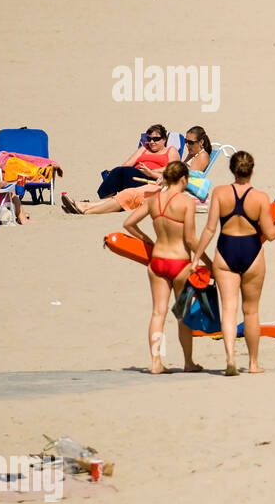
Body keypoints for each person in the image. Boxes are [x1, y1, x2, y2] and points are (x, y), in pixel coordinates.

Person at [195, 151, 275, 375]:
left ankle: (231, 358)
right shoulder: (260, 197)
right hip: (252, 252)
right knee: (251, 312)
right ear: (251, 170)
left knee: (229, 309)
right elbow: (270, 234)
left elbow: (210, 229)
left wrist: (197, 257)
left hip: (225, 251)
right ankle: (253, 364)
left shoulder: (220, 193)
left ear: (232, 170)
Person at [122, 161, 212, 375]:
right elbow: (190, 239)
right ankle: (188, 362)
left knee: (157, 313)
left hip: (157, 261)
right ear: (183, 179)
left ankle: (155, 363)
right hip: (179, 263)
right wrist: (207, 262)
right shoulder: (186, 203)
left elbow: (128, 223)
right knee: (182, 315)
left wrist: (148, 240)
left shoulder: (154, 200)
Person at [65, 128, 206, 215]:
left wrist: (155, 174)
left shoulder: (201, 156)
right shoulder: (191, 155)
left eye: (191, 142)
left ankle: (87, 209)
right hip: (160, 183)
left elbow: (188, 178)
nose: (187, 145)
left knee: (128, 194)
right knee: (124, 185)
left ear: (201, 142)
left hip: (164, 187)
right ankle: (85, 206)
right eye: (186, 141)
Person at [97, 125, 179, 199]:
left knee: (125, 171)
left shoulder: (170, 150)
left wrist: (151, 171)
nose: (152, 142)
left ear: (164, 139)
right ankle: (107, 197)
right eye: (149, 139)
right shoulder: (145, 147)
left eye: (156, 139)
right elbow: (127, 164)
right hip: (136, 173)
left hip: (152, 178)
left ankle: (108, 198)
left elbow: (174, 168)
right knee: (119, 170)